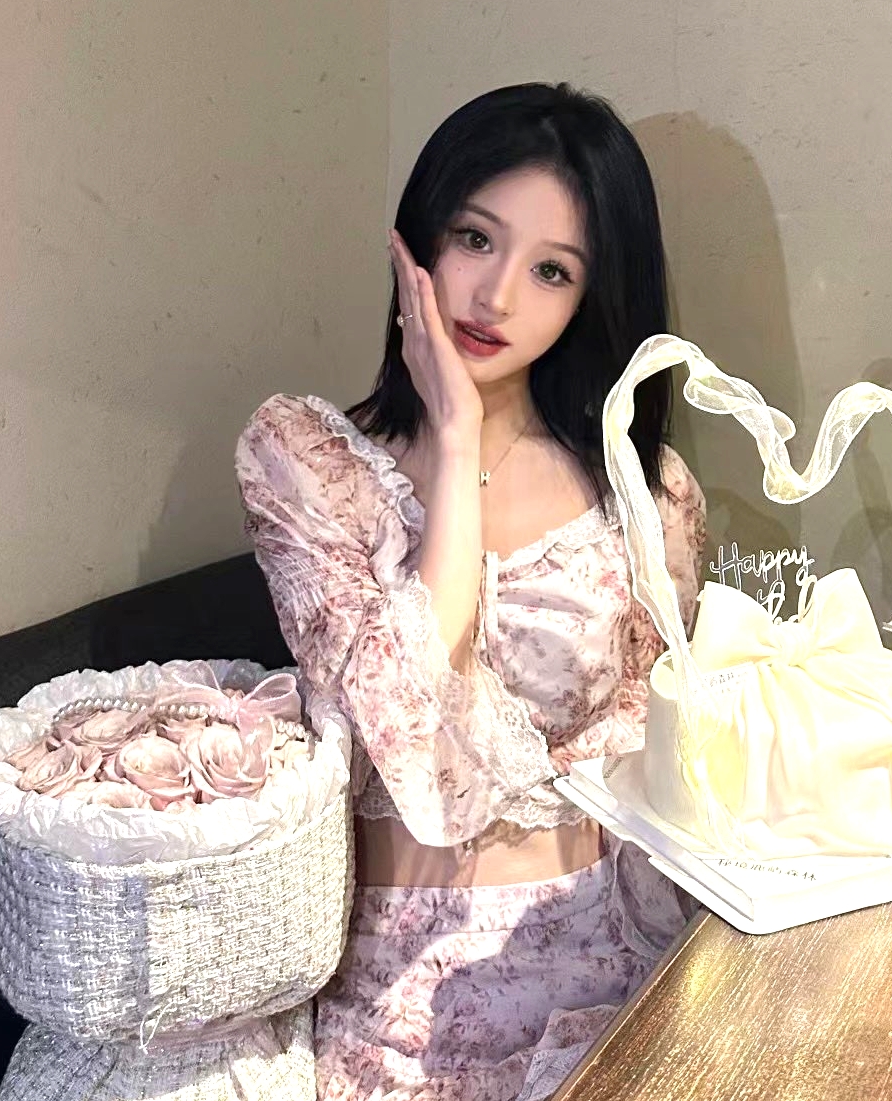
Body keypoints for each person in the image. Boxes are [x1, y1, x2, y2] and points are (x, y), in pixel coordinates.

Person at [235, 82, 706, 1101]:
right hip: (407, 999)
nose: (495, 296)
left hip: (618, 962)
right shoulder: (307, 463)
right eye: (474, 238)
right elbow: (404, 707)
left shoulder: (645, 490)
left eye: (551, 270)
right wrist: (454, 440)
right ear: (418, 240)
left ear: (590, 297)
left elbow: (662, 755)